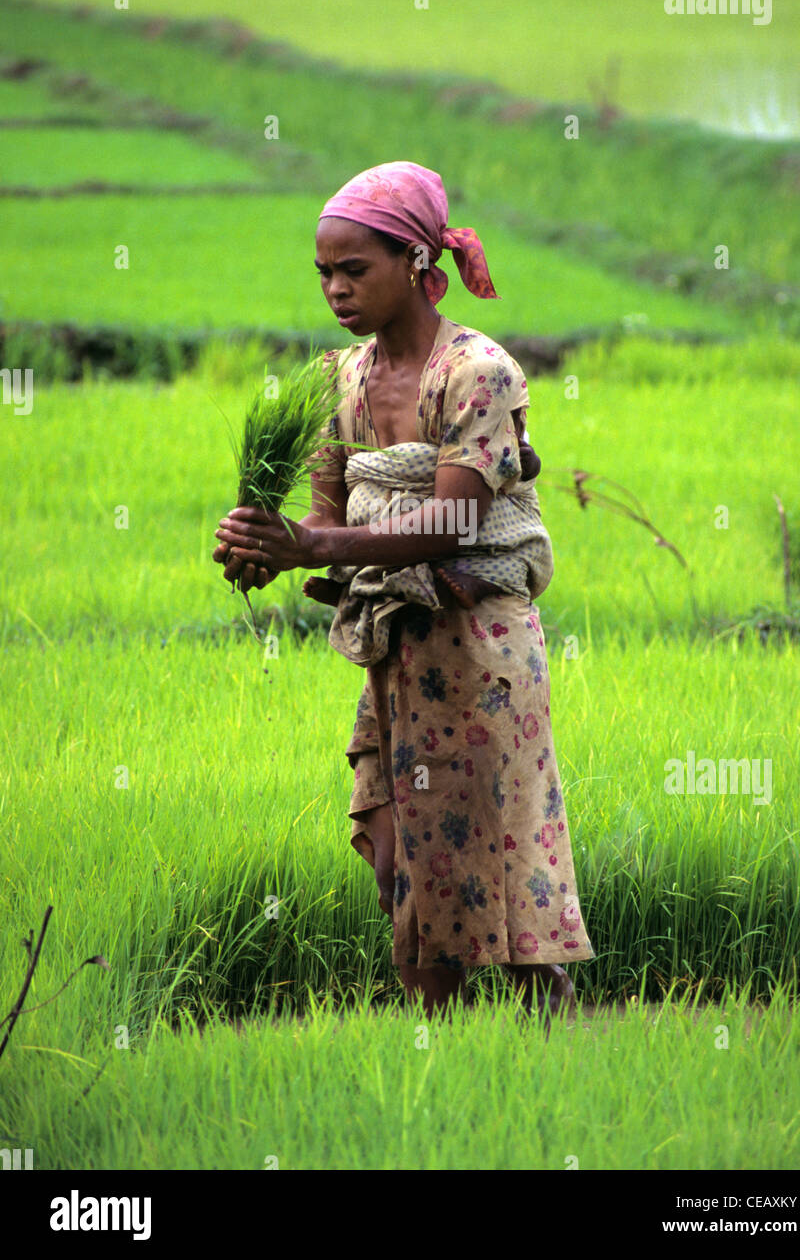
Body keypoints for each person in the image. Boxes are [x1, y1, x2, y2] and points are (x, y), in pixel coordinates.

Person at [213, 161, 595, 1024]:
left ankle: (557, 1038)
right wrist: (262, 548)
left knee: (502, 869)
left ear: (417, 262)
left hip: (481, 657)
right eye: (324, 273)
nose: (335, 289)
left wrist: (312, 542)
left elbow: (452, 525)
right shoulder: (333, 380)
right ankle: (439, 1066)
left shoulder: (478, 373)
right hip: (395, 657)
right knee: (403, 869)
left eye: (355, 270)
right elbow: (328, 525)